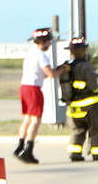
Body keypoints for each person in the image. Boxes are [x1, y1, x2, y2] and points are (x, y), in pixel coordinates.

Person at [14, 27, 69, 165]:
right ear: (42, 42)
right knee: (36, 120)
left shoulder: (30, 53)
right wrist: (63, 68)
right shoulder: (41, 55)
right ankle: (28, 149)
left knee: (27, 118)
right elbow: (51, 74)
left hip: (24, 86)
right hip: (33, 89)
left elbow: (42, 73)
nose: (50, 44)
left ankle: (20, 146)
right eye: (48, 41)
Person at [59, 37, 98, 162]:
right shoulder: (87, 67)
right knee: (95, 131)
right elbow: (94, 87)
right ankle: (97, 154)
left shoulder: (67, 68)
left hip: (73, 108)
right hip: (90, 106)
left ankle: (75, 153)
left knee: (77, 131)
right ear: (84, 50)